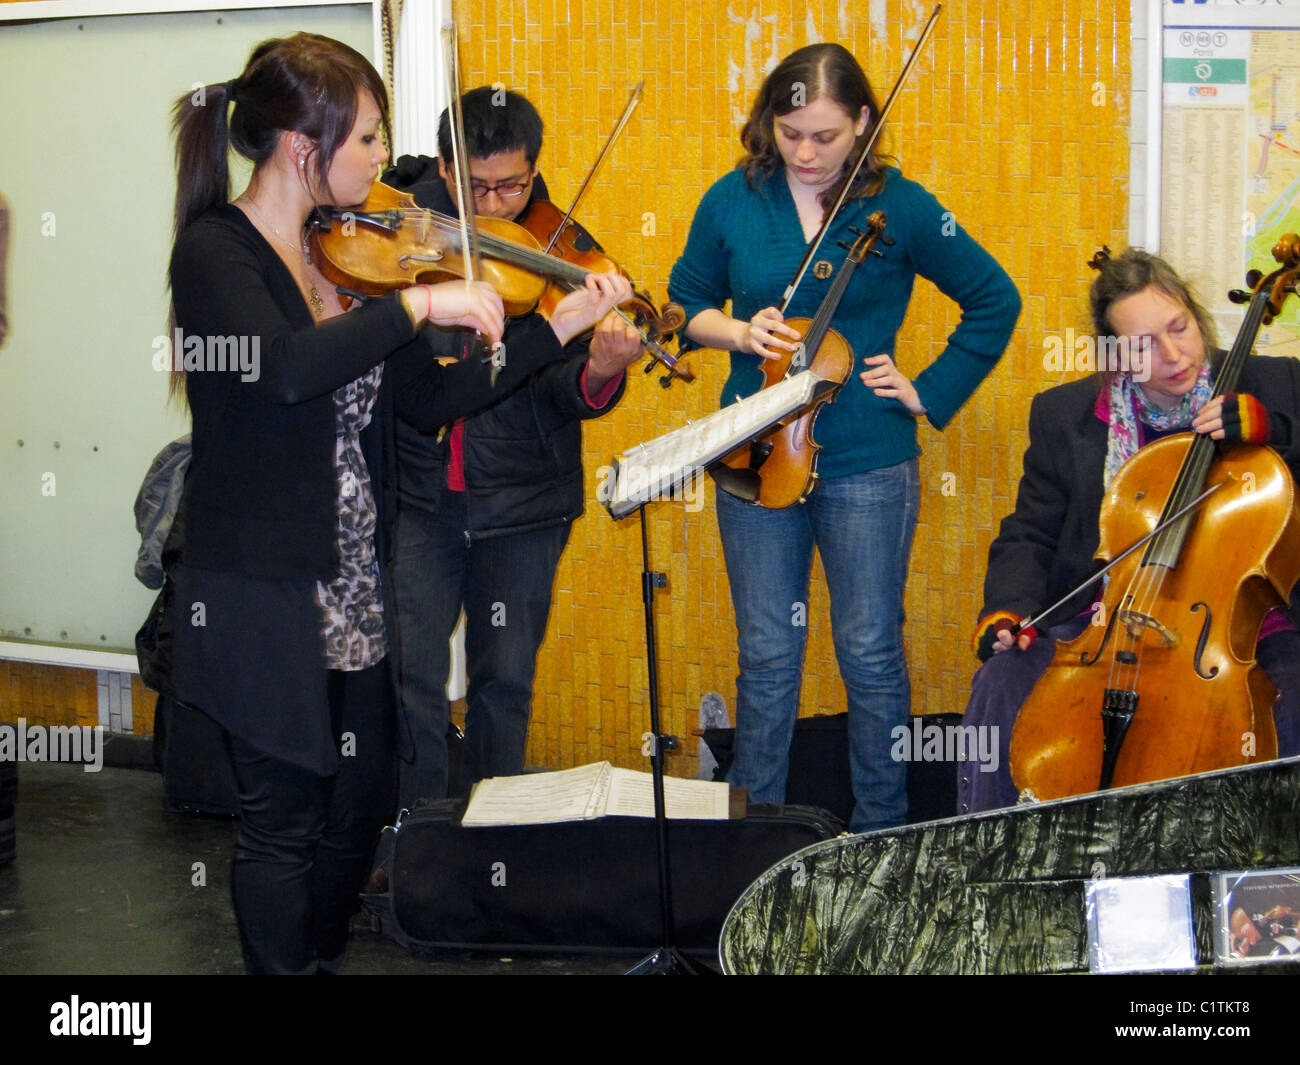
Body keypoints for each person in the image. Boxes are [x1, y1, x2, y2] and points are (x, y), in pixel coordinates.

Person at [166, 34, 627, 973]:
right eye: (369, 140)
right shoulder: (217, 253)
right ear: (305, 146)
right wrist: (420, 309)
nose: (386, 163)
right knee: (282, 822)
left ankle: (319, 957)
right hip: (260, 588)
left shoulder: (355, 257)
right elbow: (285, 371)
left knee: (360, 804)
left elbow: (429, 403)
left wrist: (553, 327)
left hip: (353, 586)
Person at [667, 43, 1021, 833]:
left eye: (825, 135)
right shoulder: (732, 199)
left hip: (867, 458)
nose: (805, 151)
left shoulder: (898, 206)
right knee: (766, 651)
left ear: (863, 121)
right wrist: (734, 329)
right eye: (790, 133)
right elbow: (684, 302)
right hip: (754, 455)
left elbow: (995, 298)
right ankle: (756, 833)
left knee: (868, 650)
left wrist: (929, 391)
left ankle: (880, 832)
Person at [959, 247, 1300, 814]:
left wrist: (1277, 433)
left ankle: (1276, 887)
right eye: (1143, 345)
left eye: (1180, 328)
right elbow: (1031, 532)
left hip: (1244, 622)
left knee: (1290, 701)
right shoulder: (1065, 415)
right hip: (1105, 620)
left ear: (1197, 315)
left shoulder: (1277, 384)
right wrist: (1008, 609)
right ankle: (989, 857)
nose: (1173, 354)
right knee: (1002, 681)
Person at [383, 88, 642, 810]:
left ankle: (488, 847)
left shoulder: (559, 245)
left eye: (514, 184)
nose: (495, 205)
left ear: (534, 169)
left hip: (524, 498)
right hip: (418, 491)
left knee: (505, 684)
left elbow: (566, 389)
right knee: (410, 676)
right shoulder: (398, 226)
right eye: (477, 186)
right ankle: (415, 838)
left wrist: (600, 368)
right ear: (443, 166)